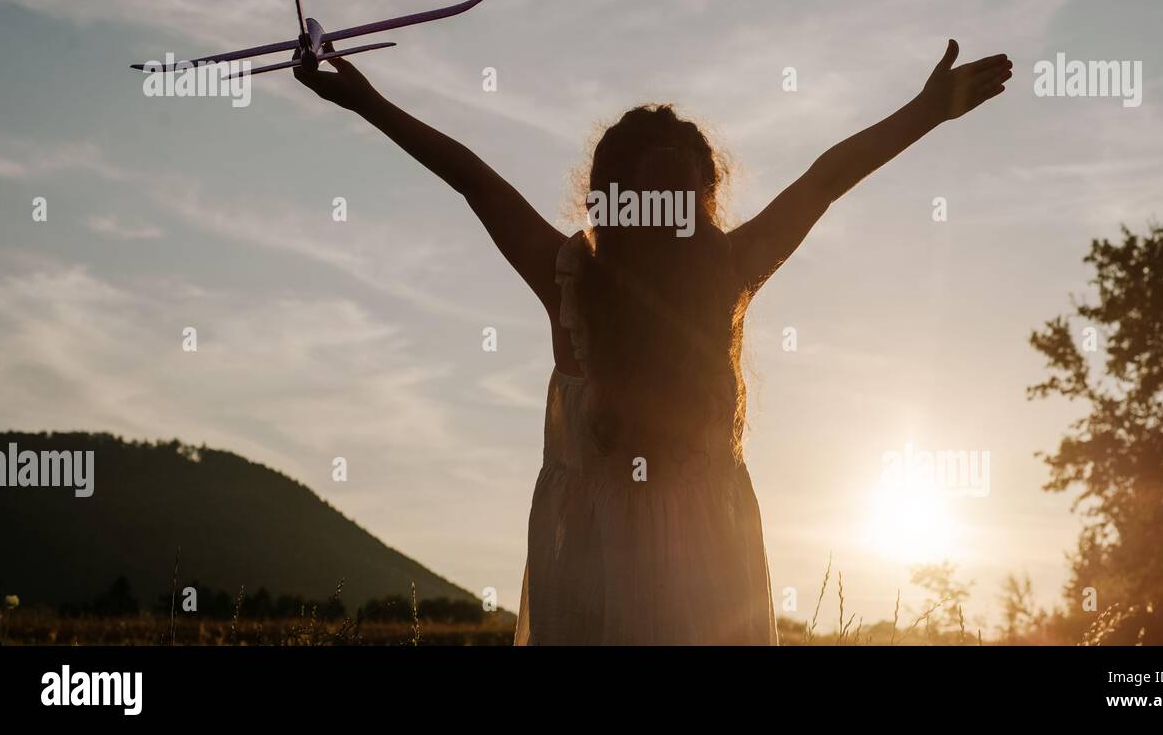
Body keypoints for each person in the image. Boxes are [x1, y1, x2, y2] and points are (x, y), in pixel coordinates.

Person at [294, 38, 1011, 644]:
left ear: (603, 197)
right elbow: (824, 181)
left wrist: (371, 105)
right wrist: (924, 112)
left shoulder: (569, 278)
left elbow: (473, 180)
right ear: (704, 198)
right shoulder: (723, 273)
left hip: (589, 566)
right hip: (705, 566)